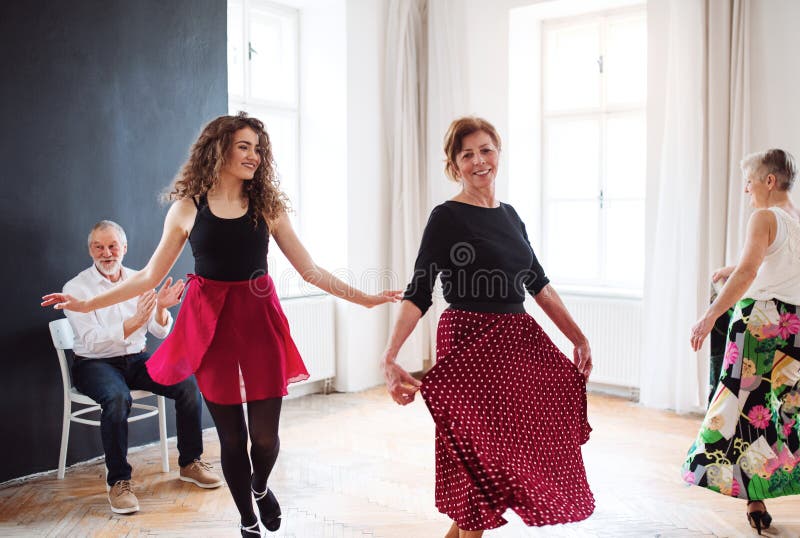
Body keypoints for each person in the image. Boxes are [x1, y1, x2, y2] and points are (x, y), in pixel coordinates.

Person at [43, 113, 401, 537]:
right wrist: (87, 303)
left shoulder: (267, 205)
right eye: (244, 146)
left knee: (264, 440)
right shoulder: (187, 208)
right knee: (231, 440)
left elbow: (310, 270)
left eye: (258, 148)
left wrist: (365, 299)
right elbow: (146, 277)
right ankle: (247, 519)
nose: (254, 155)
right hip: (208, 325)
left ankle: (261, 486)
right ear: (221, 149)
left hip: (258, 319)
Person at [382, 117, 595, 538]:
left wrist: (578, 337)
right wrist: (390, 356)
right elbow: (419, 291)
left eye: (486, 150)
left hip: (515, 341)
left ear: (498, 152)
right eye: (467, 154)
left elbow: (539, 285)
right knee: (480, 463)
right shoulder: (446, 217)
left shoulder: (511, 217)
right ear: (454, 164)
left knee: (488, 470)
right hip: (468, 341)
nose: (479, 161)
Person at [62, 220, 221, 515]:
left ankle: (190, 462)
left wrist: (160, 308)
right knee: (118, 397)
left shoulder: (140, 279)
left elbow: (159, 332)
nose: (106, 253)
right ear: (90, 250)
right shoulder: (75, 288)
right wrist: (134, 322)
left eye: (112, 246)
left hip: (136, 359)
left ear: (124, 248)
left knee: (187, 383)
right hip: (94, 365)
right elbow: (93, 342)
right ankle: (119, 482)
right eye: (99, 247)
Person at [684, 149, 800, 535]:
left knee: (743, 408)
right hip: (792, 326)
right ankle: (762, 491)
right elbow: (778, 263)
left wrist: (710, 315)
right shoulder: (795, 218)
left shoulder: (764, 217)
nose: (746, 189)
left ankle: (752, 496)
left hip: (759, 323)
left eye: (749, 180)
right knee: (783, 410)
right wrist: (734, 268)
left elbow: (752, 271)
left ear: (769, 181)